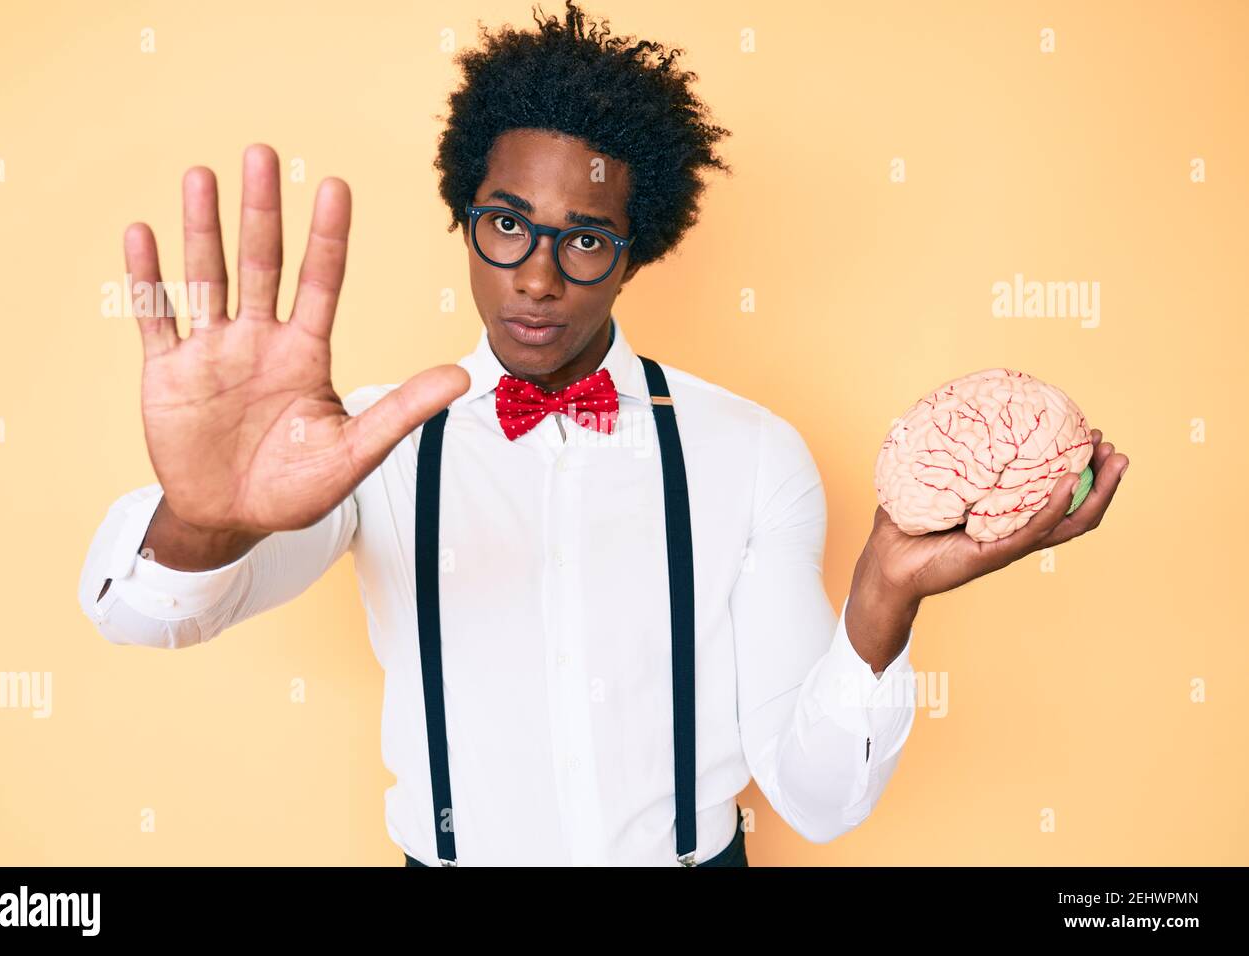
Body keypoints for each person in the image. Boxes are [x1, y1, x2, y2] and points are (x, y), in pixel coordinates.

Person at [77, 0, 1128, 866]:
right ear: (466, 220)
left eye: (584, 238)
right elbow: (143, 621)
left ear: (635, 252)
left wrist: (882, 598)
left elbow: (816, 797)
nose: (537, 275)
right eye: (507, 226)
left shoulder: (753, 452)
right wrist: (200, 522)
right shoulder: (358, 443)